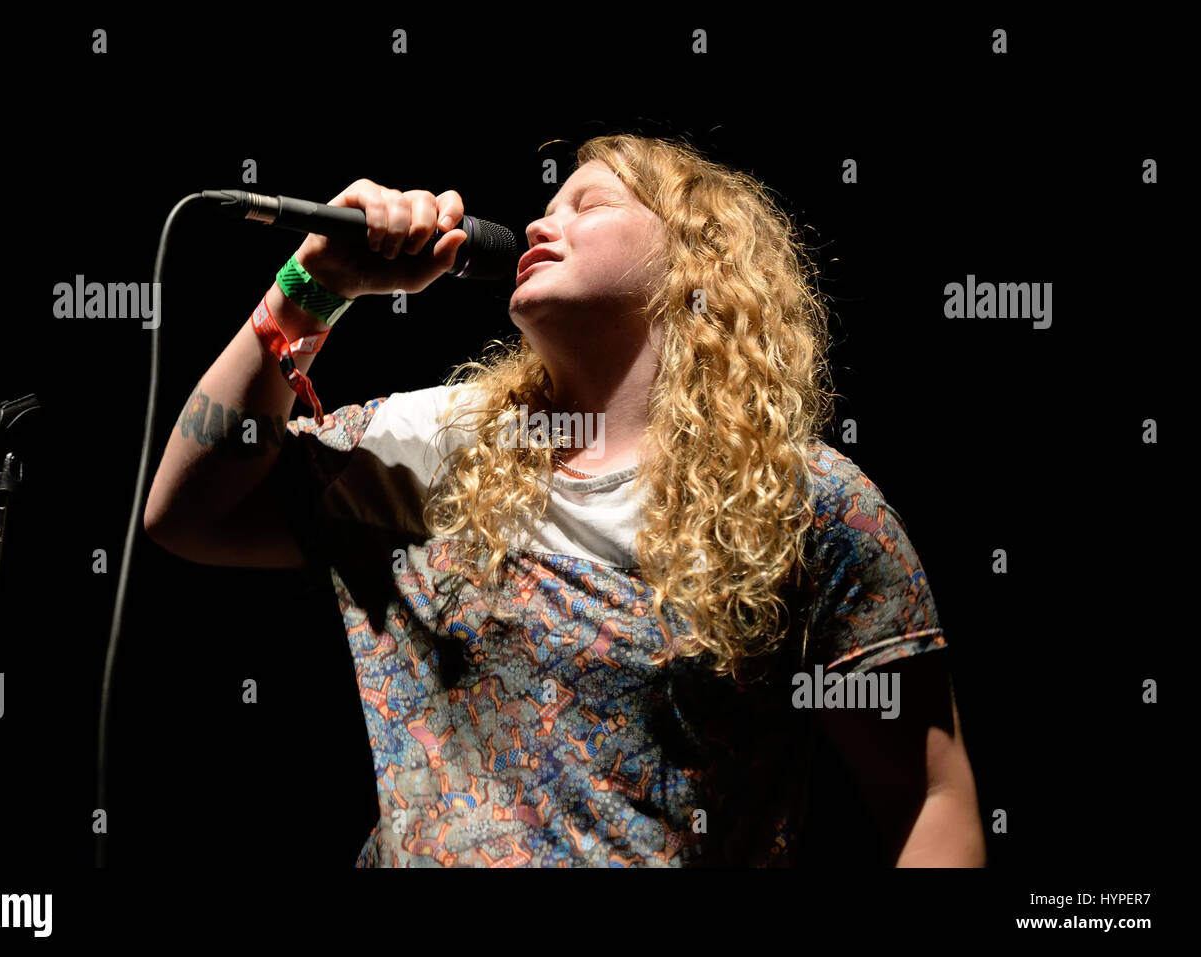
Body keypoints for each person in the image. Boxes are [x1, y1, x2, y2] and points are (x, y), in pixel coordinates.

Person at [144, 134, 987, 867]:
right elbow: (188, 512)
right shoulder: (438, 443)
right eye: (546, 207)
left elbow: (925, 793)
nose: (542, 223)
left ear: (698, 258)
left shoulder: (804, 500)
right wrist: (311, 284)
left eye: (588, 202)